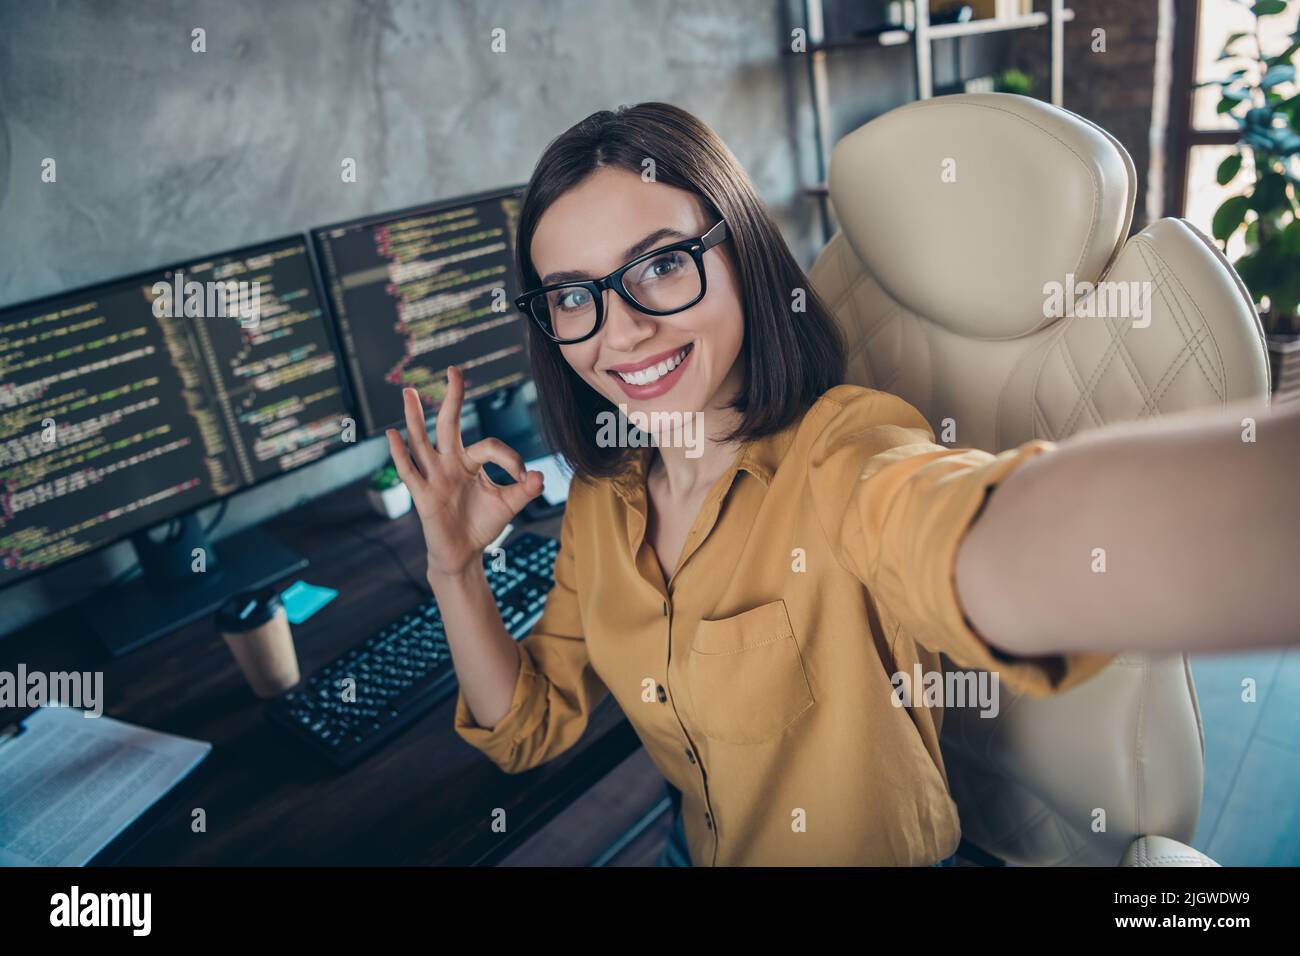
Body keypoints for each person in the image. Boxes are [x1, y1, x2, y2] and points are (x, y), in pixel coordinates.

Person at [385, 102, 1300, 866]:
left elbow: (965, 534)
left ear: (741, 252)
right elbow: (527, 730)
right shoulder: (602, 495)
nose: (618, 332)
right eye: (575, 296)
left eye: (663, 264)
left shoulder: (847, 451)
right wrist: (456, 566)